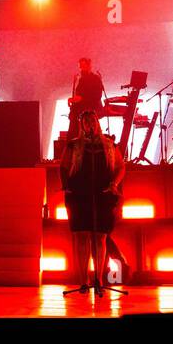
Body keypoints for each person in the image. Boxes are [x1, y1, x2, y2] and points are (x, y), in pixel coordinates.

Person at [60, 109, 125, 295]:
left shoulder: (110, 144)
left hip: (102, 193)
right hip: (79, 194)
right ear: (82, 124)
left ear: (98, 122)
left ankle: (98, 279)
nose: (90, 123)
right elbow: (63, 167)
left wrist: (114, 184)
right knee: (81, 236)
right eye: (86, 120)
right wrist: (66, 185)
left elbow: (121, 166)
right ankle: (83, 281)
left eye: (93, 120)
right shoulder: (73, 145)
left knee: (100, 237)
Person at [67, 58, 106, 127]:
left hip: (91, 110)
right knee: (73, 118)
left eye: (83, 66)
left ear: (89, 66)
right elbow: (79, 95)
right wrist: (72, 99)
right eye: (80, 67)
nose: (82, 69)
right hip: (81, 110)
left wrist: (82, 98)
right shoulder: (81, 79)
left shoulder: (95, 78)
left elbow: (97, 96)